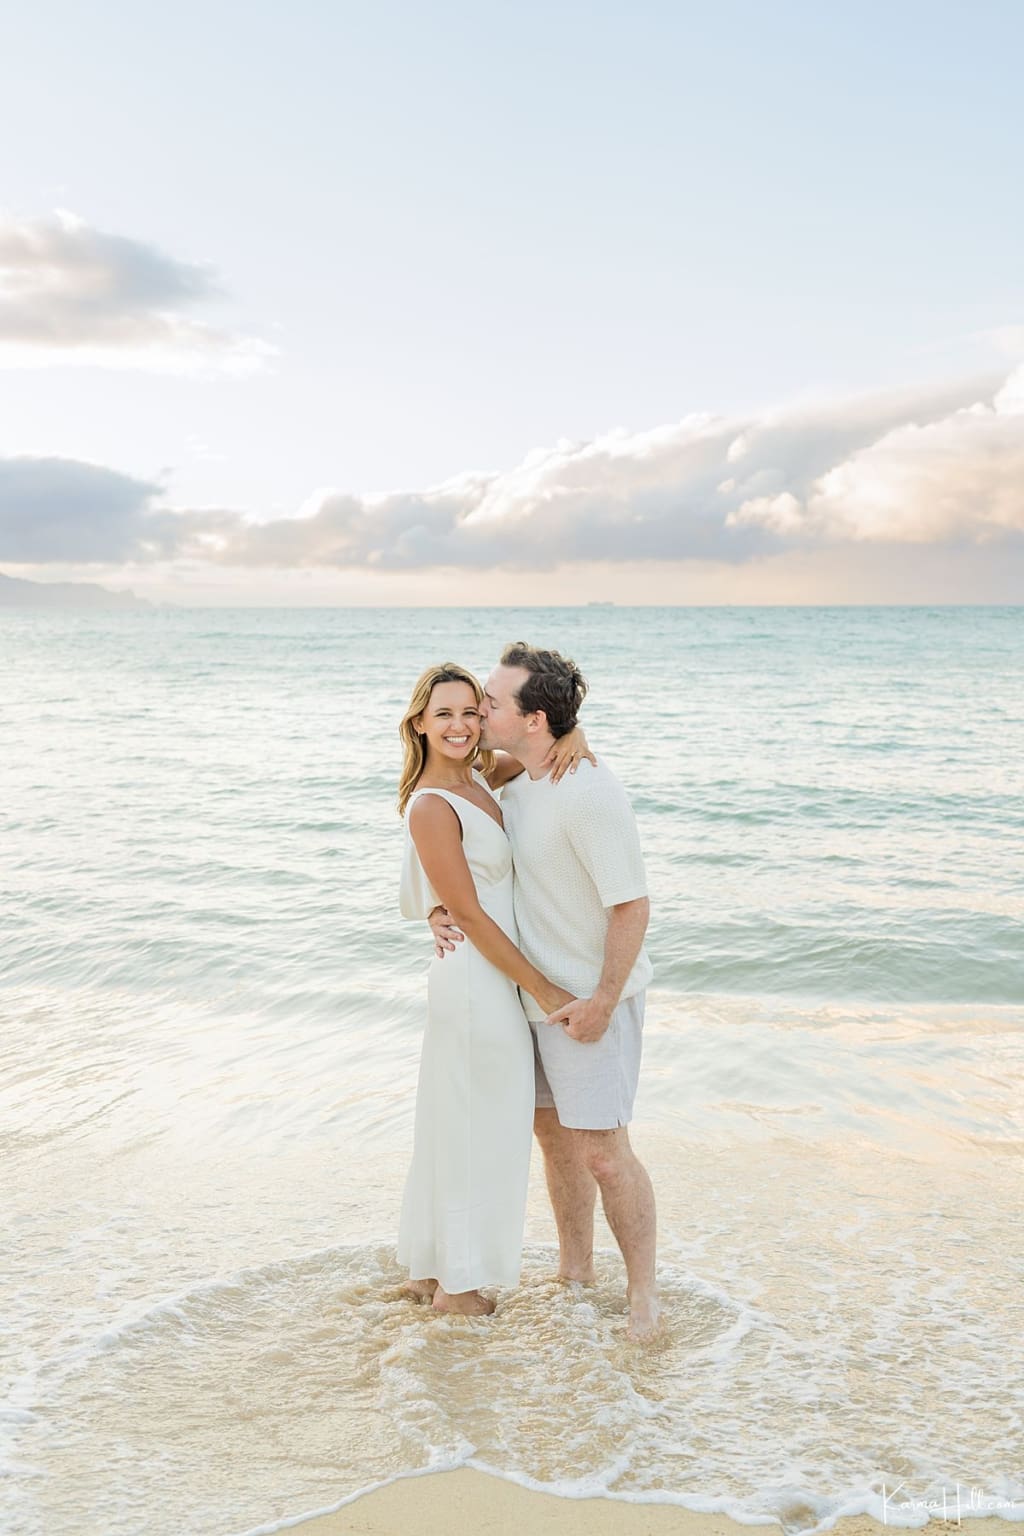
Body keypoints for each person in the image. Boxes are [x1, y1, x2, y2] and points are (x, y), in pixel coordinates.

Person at [429, 643, 660, 1339]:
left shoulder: (587, 790)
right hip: (531, 997)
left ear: (534, 720)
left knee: (603, 1150)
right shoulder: (517, 777)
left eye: (493, 702)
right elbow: (464, 841)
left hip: (591, 1003)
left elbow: (632, 906)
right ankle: (575, 1274)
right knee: (554, 1139)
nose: (480, 710)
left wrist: (602, 999)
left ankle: (646, 1299)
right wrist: (439, 910)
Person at [396, 662, 592, 1317]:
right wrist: (545, 989)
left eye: (471, 712)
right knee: (483, 1132)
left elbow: (538, 747)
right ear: (419, 722)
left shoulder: (482, 777)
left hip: (489, 983)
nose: (459, 726)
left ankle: (434, 1274)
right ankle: (460, 1290)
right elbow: (471, 915)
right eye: (444, 714)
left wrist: (574, 733)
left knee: (465, 1127)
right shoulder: (431, 803)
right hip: (478, 989)